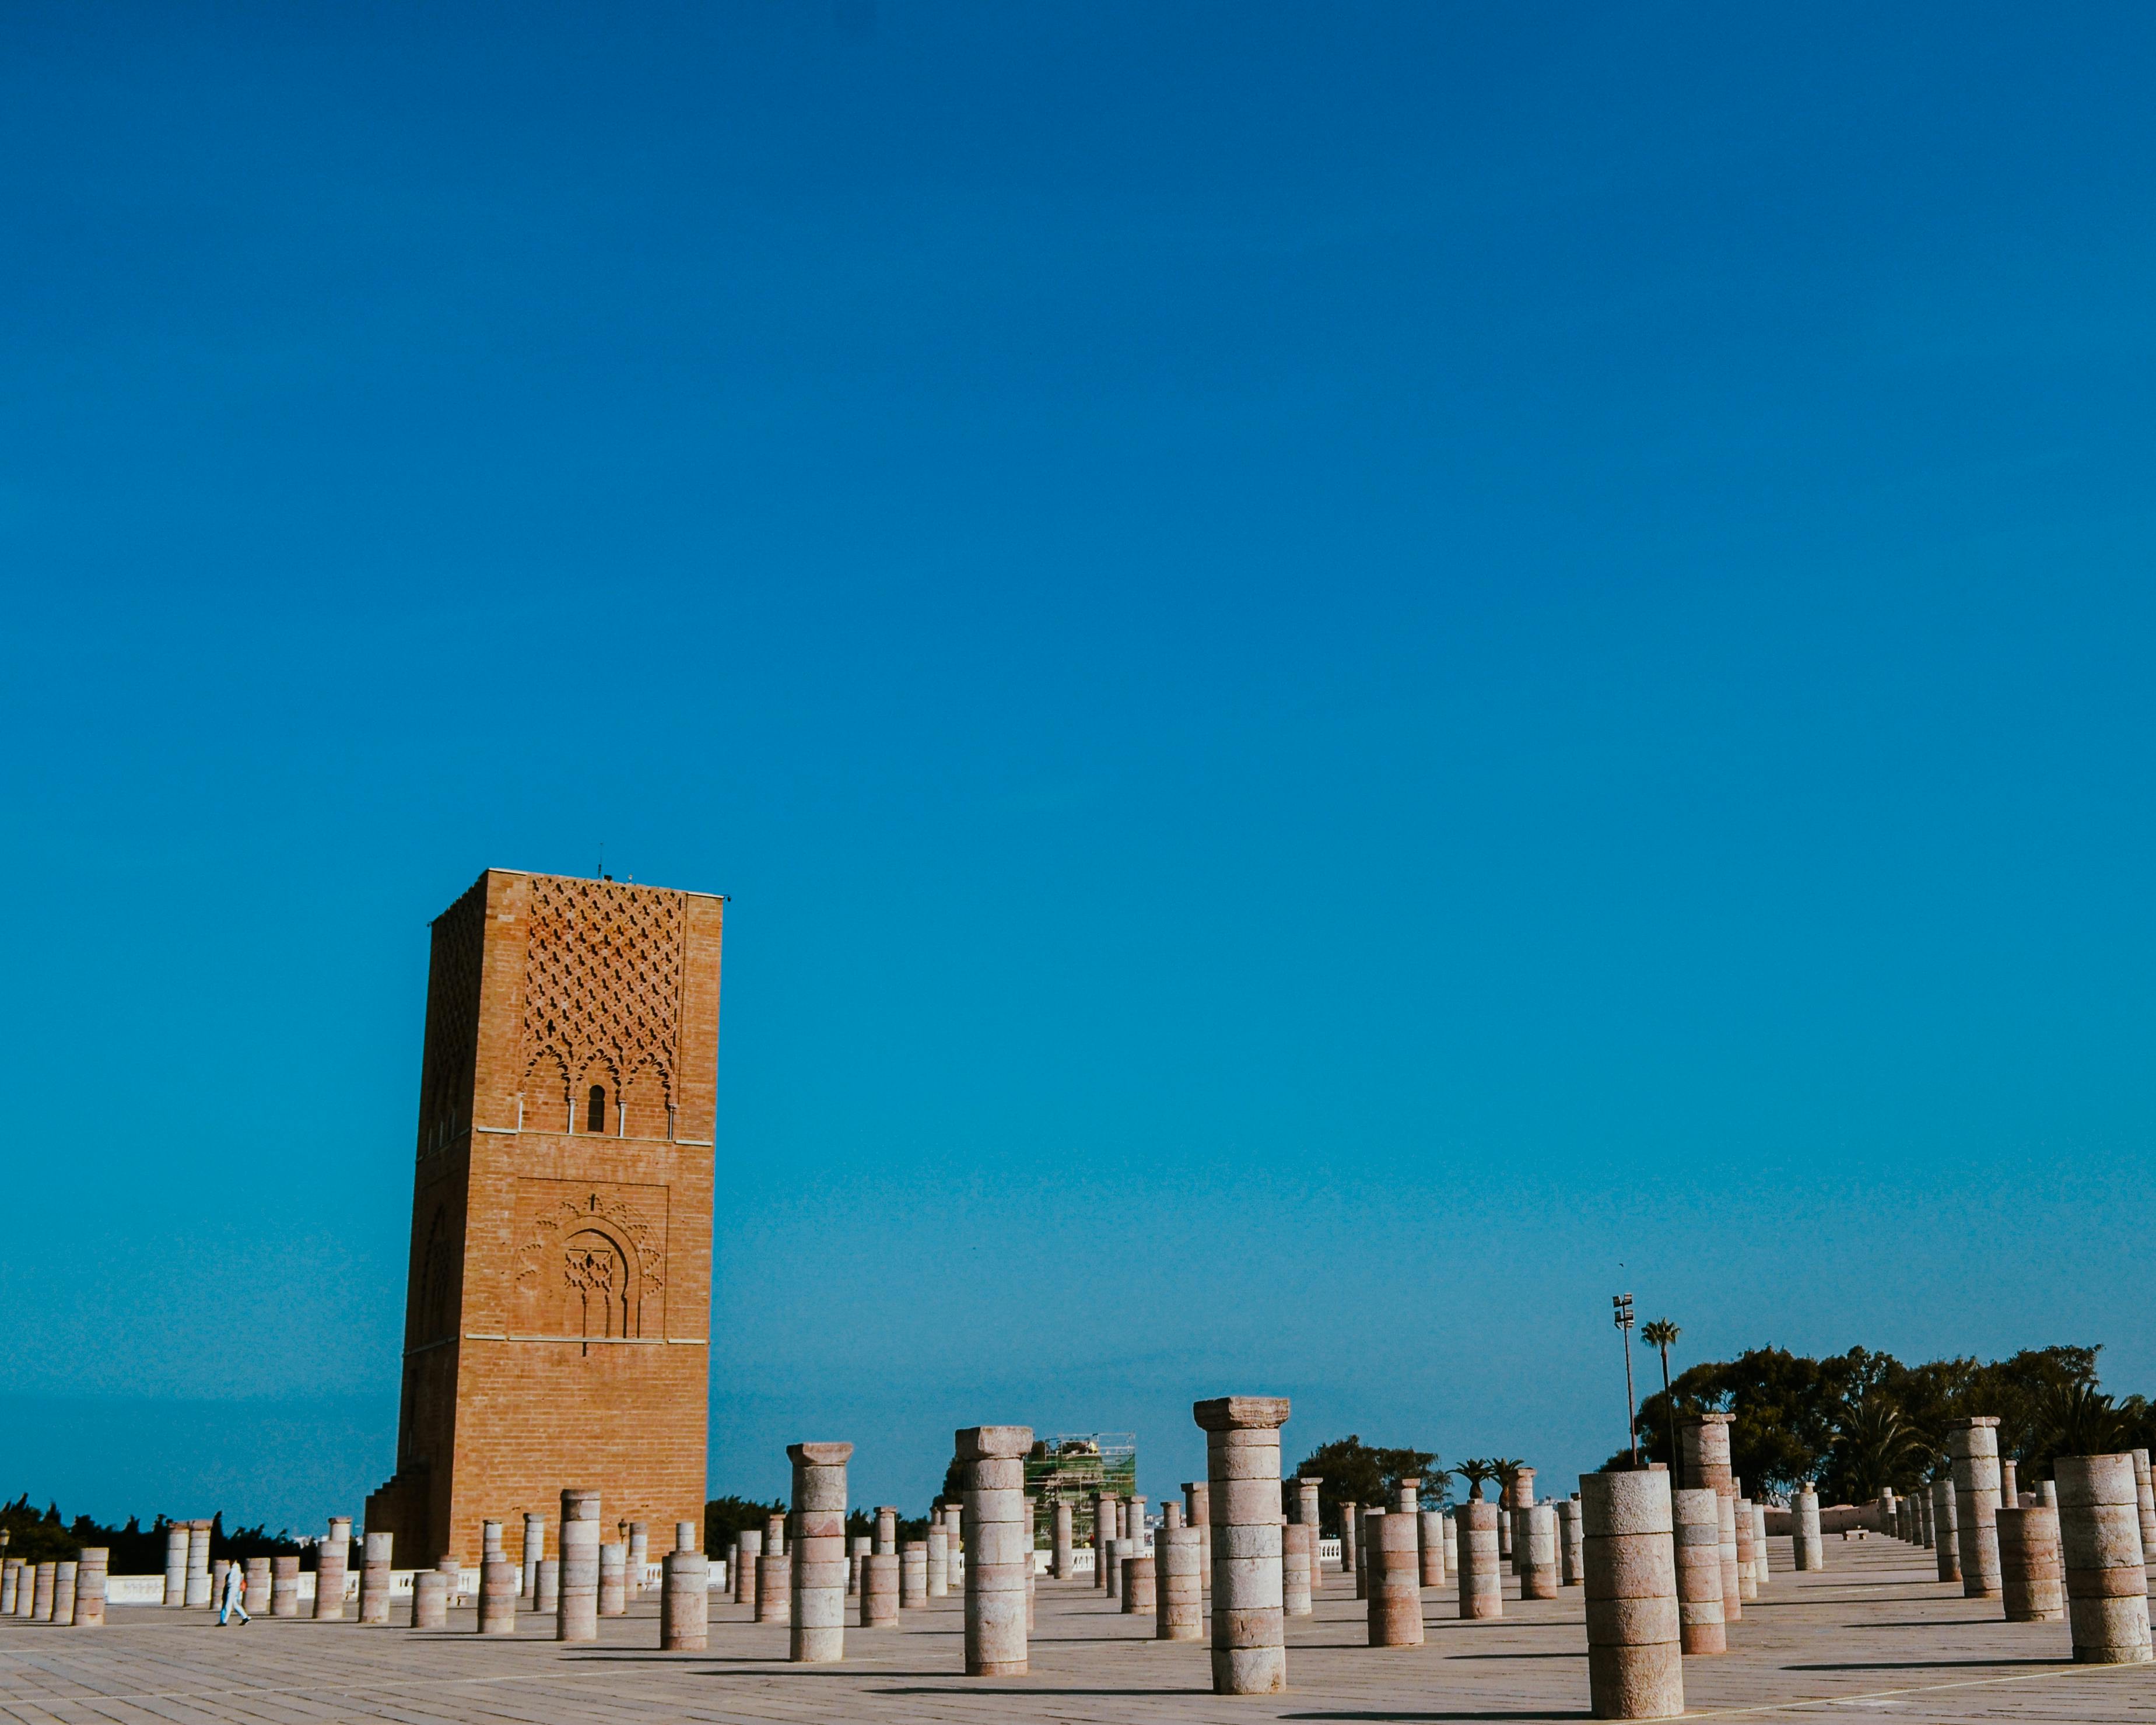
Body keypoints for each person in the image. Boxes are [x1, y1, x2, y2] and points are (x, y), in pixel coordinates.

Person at [219, 1555, 250, 1626]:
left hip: (232, 1588)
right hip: (236, 1588)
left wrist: (228, 1583)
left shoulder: (234, 1569)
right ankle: (245, 1617)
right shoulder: (238, 1569)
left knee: (228, 1605)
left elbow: (230, 1580)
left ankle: (224, 1621)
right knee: (235, 1605)